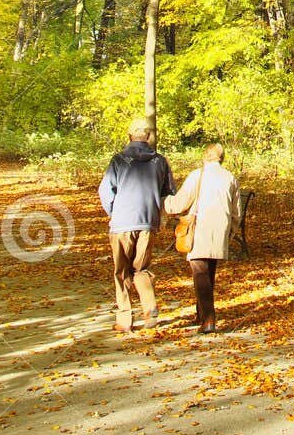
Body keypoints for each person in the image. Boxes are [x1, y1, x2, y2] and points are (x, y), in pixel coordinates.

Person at [98, 117, 176, 334]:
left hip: (122, 223)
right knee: (142, 268)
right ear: (149, 137)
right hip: (147, 222)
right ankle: (150, 311)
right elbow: (169, 191)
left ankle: (124, 319)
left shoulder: (119, 160)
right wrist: (160, 214)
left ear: (129, 136)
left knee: (121, 271)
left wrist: (113, 212)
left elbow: (105, 191)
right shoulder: (160, 161)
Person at [165, 144, 241, 334]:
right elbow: (236, 212)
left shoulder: (197, 175)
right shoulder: (230, 178)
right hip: (220, 229)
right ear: (221, 158)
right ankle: (201, 313)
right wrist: (230, 232)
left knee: (200, 271)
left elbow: (179, 203)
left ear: (205, 156)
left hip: (200, 228)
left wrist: (163, 200)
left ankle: (208, 319)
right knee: (209, 272)